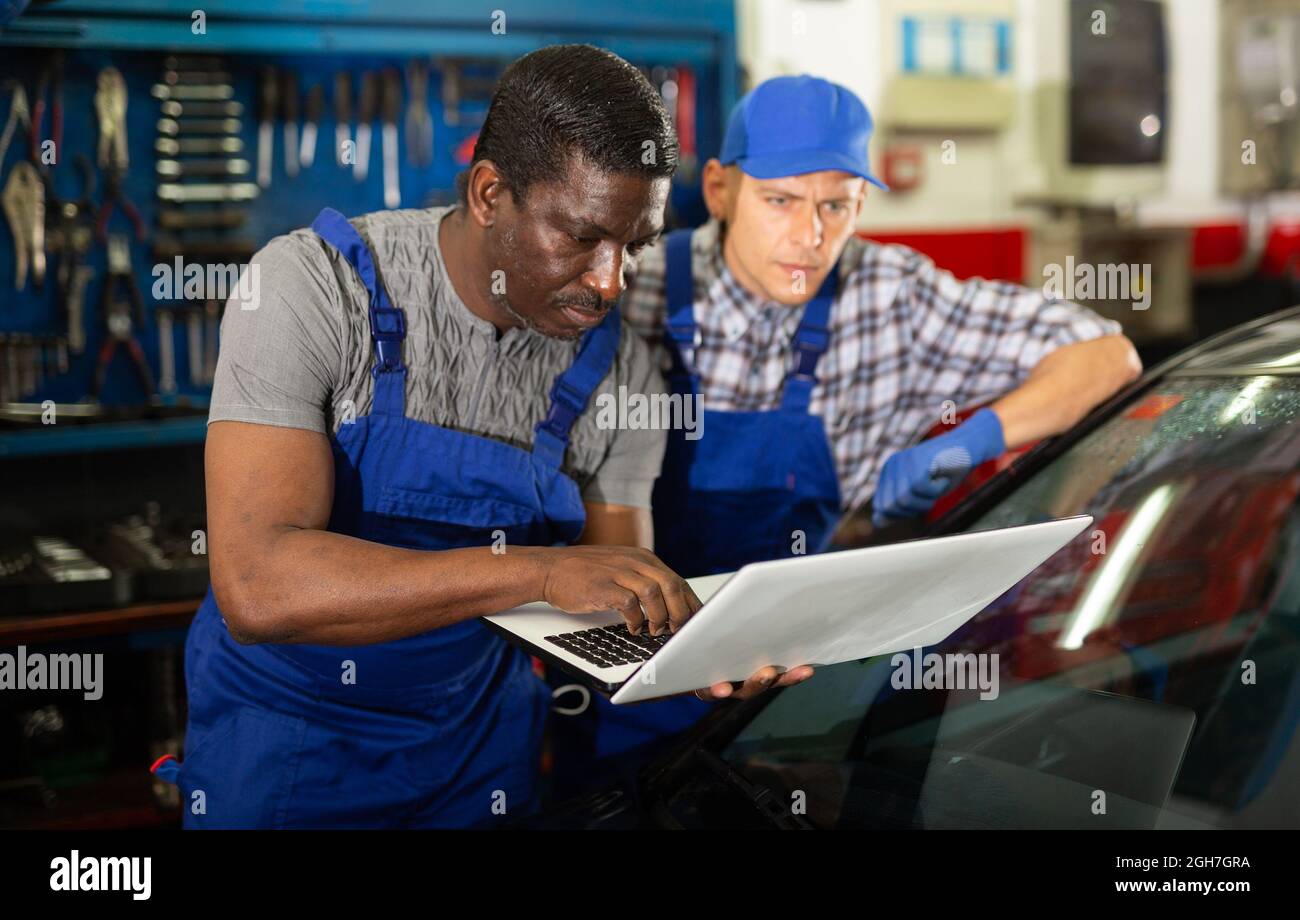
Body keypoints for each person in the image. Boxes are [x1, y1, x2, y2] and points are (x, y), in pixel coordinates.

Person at [155, 45, 807, 829]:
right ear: (491, 191)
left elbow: (608, 597)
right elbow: (259, 585)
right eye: (582, 238)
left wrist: (705, 658)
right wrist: (538, 572)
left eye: (634, 245)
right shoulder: (312, 288)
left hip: (478, 760)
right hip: (287, 751)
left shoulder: (621, 371)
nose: (611, 283)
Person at [625, 74, 1143, 577]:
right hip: (638, 624)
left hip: (799, 632)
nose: (810, 235)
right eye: (779, 201)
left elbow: (1106, 355)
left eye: (835, 206)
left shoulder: (893, 299)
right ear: (719, 190)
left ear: (860, 206)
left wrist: (967, 442)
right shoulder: (634, 287)